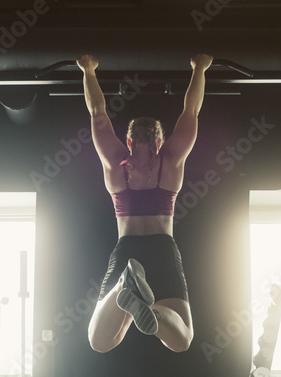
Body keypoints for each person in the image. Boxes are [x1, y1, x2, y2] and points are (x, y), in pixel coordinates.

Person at [78, 53, 212, 353]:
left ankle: (124, 286)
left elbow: (98, 114)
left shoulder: (116, 164)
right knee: (181, 340)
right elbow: (191, 112)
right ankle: (152, 314)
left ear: (127, 142)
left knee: (99, 342)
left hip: (127, 249)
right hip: (163, 249)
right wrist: (200, 68)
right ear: (160, 143)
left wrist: (88, 70)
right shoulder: (171, 161)